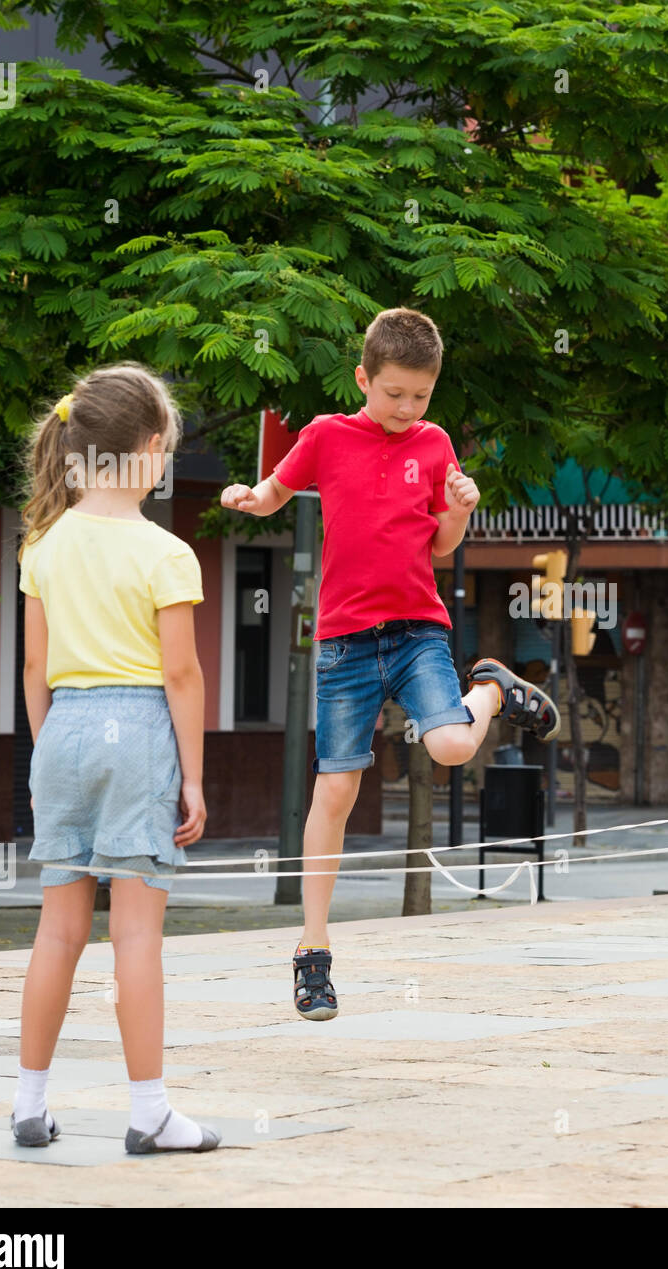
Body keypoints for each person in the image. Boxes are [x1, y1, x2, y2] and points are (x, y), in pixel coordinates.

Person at [221, 307, 560, 1021]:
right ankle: (312, 953)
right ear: (363, 378)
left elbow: (441, 545)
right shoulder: (325, 435)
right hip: (344, 641)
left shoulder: (435, 445)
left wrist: (463, 508)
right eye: (394, 393)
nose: (407, 409)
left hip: (416, 631)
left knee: (451, 744)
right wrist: (252, 500)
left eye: (421, 396)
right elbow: (278, 490)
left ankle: (491, 687)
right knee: (334, 794)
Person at [15, 363, 219, 1153]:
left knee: (57, 929)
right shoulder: (166, 554)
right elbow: (180, 674)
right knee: (136, 934)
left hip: (62, 727)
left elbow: (33, 671)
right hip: (139, 732)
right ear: (151, 446)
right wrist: (192, 776)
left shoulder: (43, 546)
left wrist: (44, 759)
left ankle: (29, 1105)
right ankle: (149, 1112)